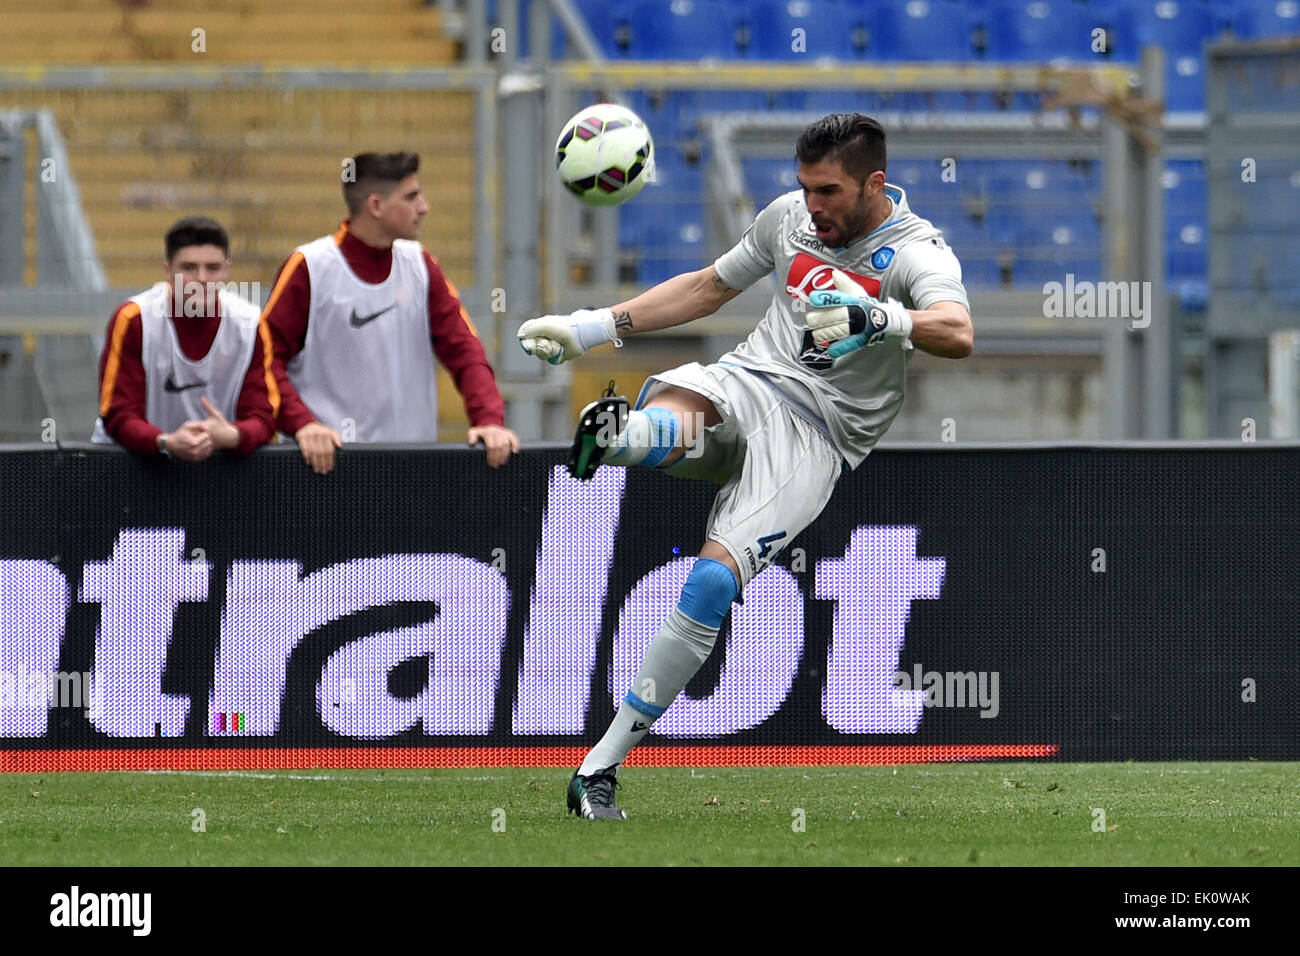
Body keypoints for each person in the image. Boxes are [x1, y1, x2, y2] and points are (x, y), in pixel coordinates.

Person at [518, 113, 975, 820]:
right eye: (805, 188)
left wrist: (886, 319)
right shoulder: (788, 220)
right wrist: (589, 329)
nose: (813, 205)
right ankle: (620, 439)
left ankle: (597, 769)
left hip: (816, 435)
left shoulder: (918, 253)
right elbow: (708, 286)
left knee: (708, 583)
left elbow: (958, 330)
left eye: (828, 191)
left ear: (874, 183)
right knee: (694, 408)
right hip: (751, 379)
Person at [261, 151, 518, 474]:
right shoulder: (310, 267)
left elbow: (465, 351)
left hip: (411, 470)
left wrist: (489, 420)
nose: (424, 207)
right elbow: (264, 360)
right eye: (411, 197)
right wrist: (303, 424)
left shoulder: (421, 264)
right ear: (376, 206)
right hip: (325, 472)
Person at [95, 216, 276, 461]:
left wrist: (233, 436)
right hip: (137, 465)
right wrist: (165, 441)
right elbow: (117, 413)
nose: (201, 278)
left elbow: (263, 416)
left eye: (212, 268)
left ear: (227, 270)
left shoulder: (250, 324)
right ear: (167, 269)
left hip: (218, 467)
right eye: (189, 267)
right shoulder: (134, 320)